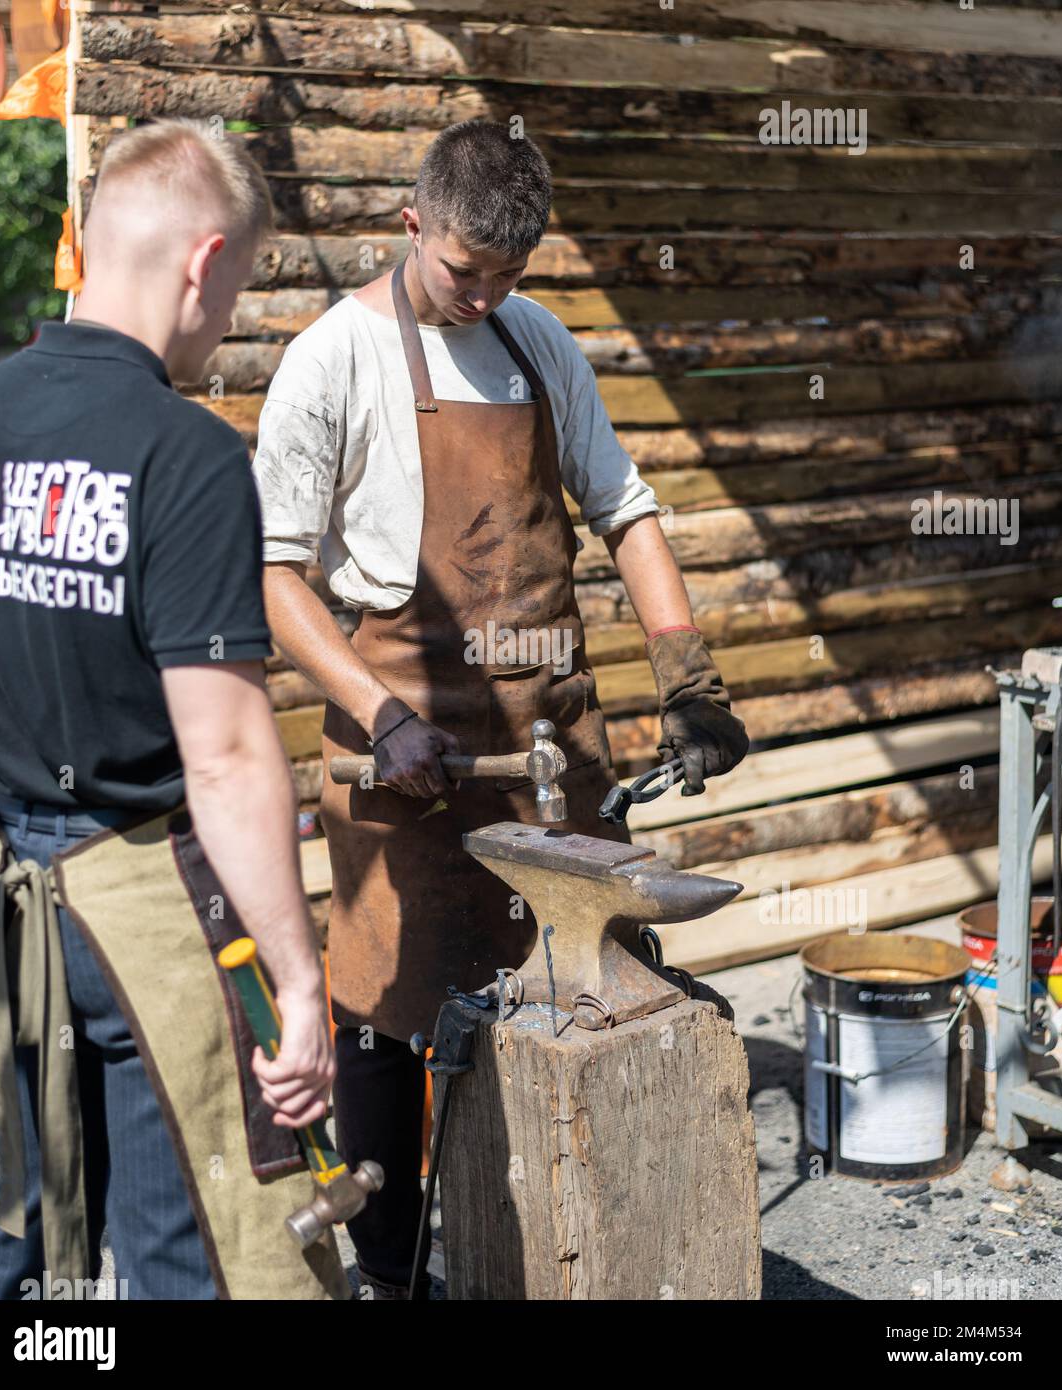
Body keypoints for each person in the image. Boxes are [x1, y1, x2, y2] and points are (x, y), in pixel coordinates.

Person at [252, 119, 750, 1298]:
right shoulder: (333, 359)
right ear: (411, 222)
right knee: (384, 1016)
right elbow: (272, 578)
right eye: (461, 269)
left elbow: (626, 513)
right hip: (401, 750)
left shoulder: (537, 346)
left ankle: (561, 1239)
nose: (482, 295)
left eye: (507, 274)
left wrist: (688, 676)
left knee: (577, 1002)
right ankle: (385, 1266)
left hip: (546, 756)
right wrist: (380, 717)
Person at [0, 119, 340, 1300]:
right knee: (194, 1248)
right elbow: (226, 757)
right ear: (202, 260)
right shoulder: (184, 456)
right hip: (146, 917)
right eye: (235, 286)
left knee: (30, 1241)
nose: (224, 317)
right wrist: (300, 983)